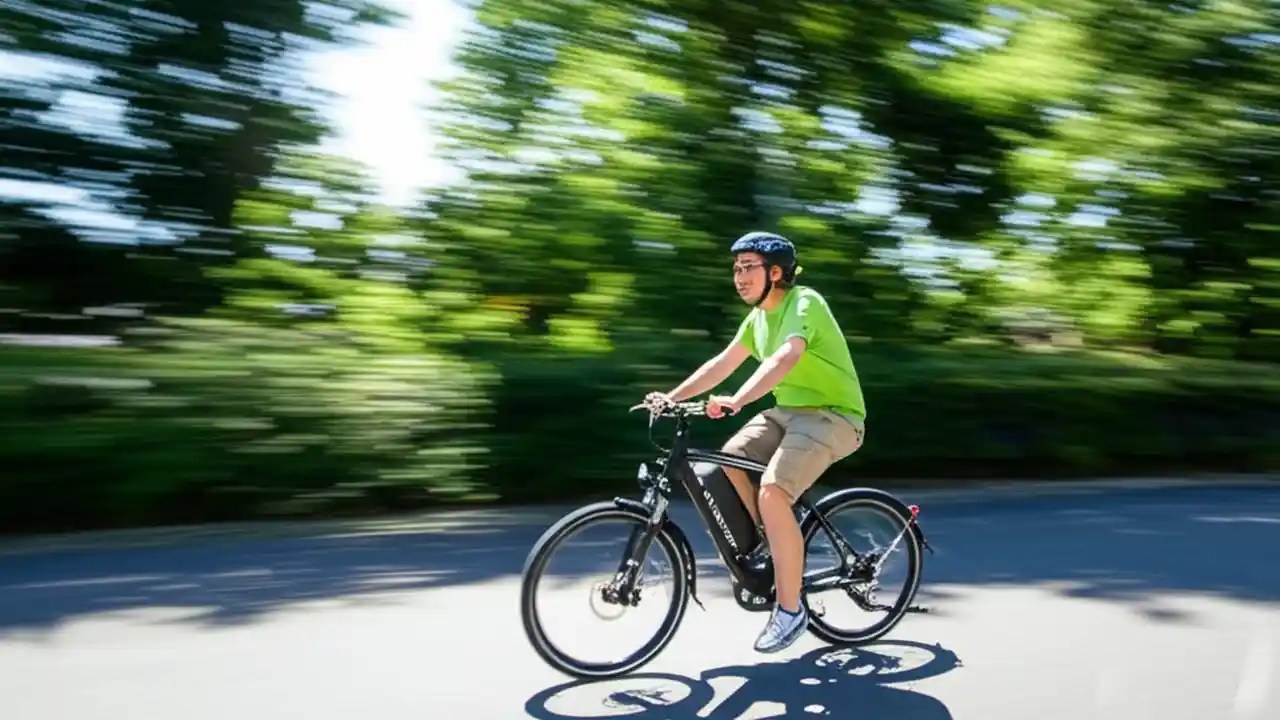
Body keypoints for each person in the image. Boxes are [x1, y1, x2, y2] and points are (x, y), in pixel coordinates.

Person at [648, 231, 867, 654]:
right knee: (730, 459)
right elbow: (721, 363)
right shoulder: (758, 318)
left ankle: (790, 610)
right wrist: (672, 397)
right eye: (735, 268)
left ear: (776, 272)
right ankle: (776, 545)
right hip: (790, 413)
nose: (739, 276)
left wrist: (738, 399)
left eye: (748, 267)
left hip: (833, 416)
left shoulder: (805, 302)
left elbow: (786, 357)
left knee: (771, 490)